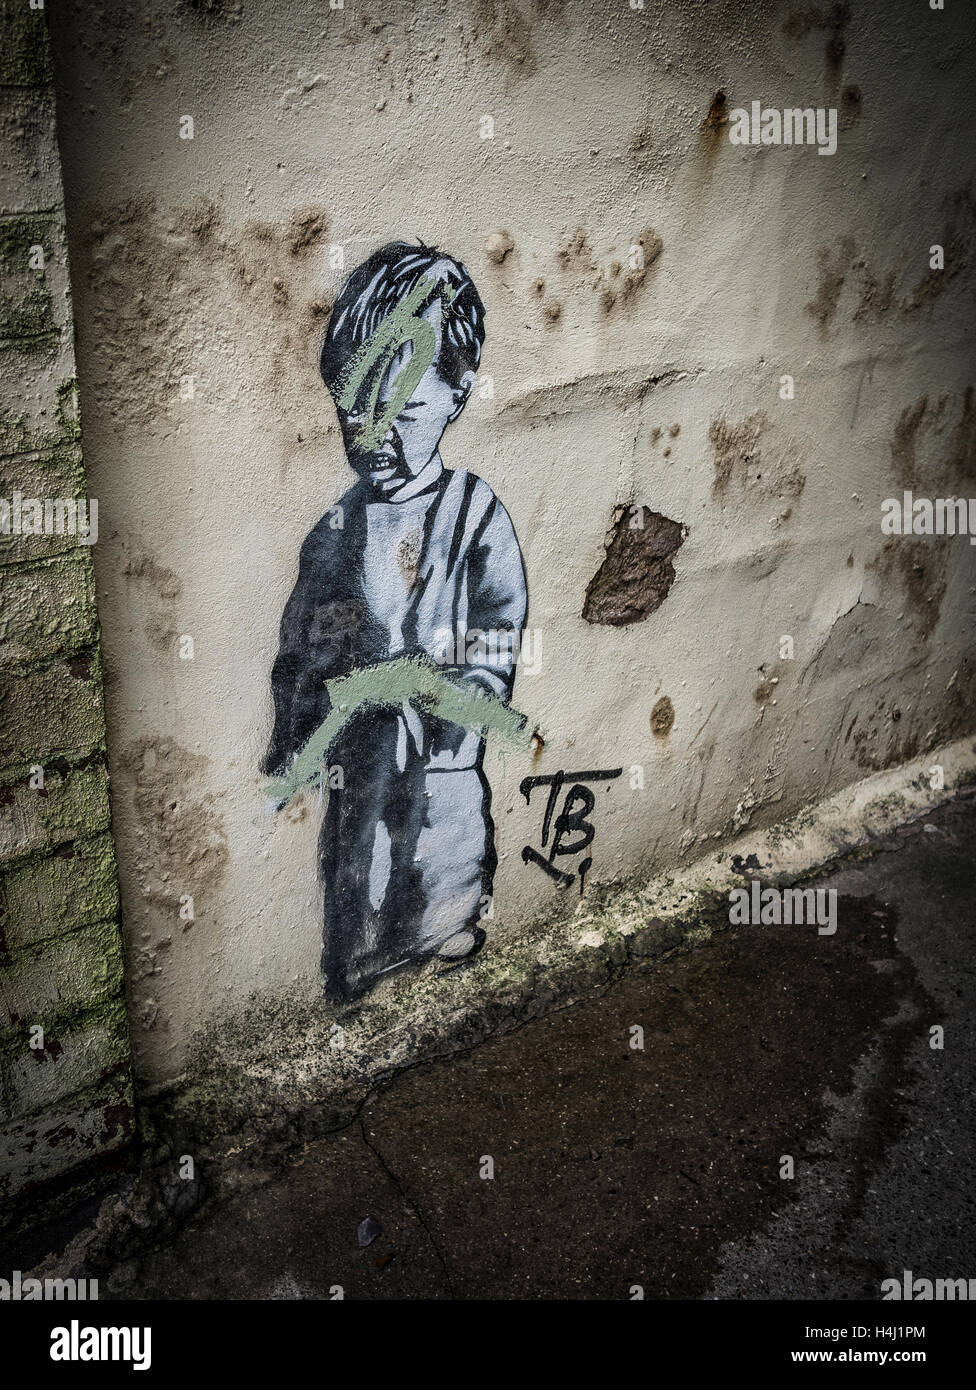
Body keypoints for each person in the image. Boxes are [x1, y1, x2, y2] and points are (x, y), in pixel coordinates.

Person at [262, 241, 527, 1002]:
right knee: (359, 955)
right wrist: (294, 741)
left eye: (401, 407)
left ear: (457, 392)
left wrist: (450, 705)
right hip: (356, 809)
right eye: (352, 405)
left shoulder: (476, 519)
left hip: (443, 806)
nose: (371, 430)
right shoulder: (333, 535)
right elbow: (296, 654)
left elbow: (497, 642)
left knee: (443, 959)